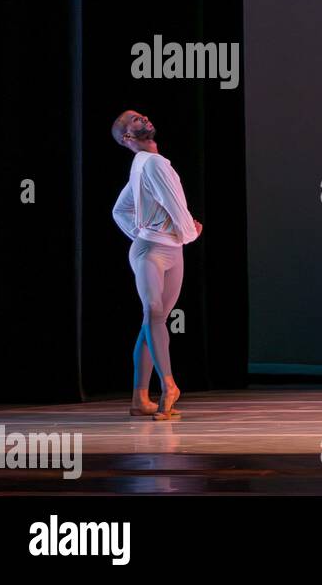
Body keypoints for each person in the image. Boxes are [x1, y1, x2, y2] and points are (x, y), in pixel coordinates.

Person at [110, 110, 202, 420]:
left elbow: (120, 209)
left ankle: (139, 398)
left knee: (154, 321)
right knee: (154, 313)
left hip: (170, 251)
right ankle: (168, 385)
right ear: (127, 138)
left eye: (142, 116)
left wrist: (146, 230)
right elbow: (177, 206)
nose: (144, 118)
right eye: (134, 120)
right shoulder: (153, 164)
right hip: (152, 251)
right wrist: (189, 232)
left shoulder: (142, 164)